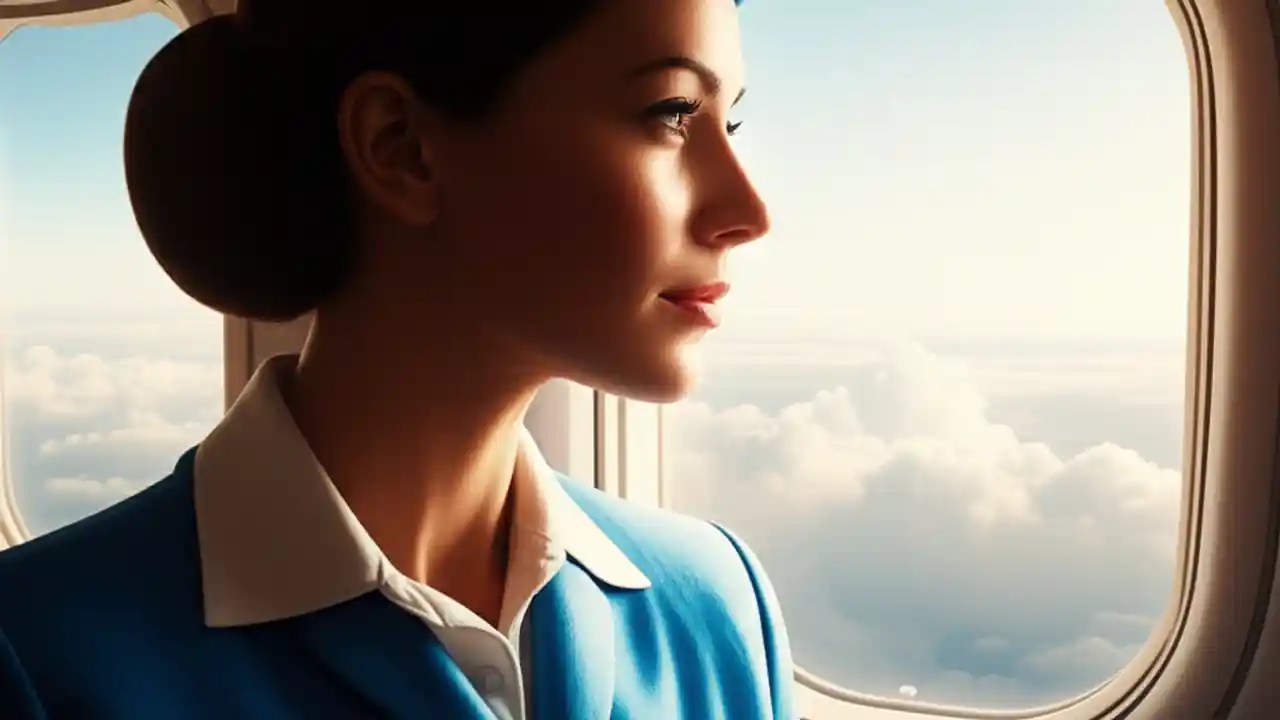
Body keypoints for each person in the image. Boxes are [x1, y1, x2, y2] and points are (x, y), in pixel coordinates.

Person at [0, 0, 794, 717]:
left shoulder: (719, 606)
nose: (749, 213)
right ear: (402, 148)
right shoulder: (35, 656)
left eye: (732, 125)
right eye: (671, 113)